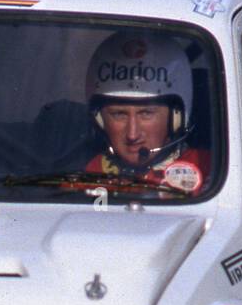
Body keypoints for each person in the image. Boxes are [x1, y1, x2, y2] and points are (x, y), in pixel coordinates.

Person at [80, 31, 211, 196]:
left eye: (146, 114)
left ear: (176, 118)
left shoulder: (211, 174)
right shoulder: (88, 174)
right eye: (119, 114)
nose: (133, 135)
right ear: (100, 119)